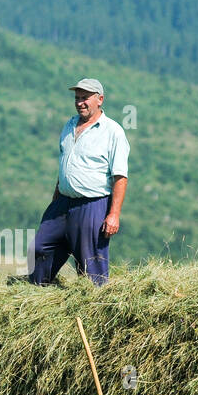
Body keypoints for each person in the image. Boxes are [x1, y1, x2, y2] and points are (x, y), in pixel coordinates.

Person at [28, 78, 129, 286]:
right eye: (77, 98)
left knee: (90, 263)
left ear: (100, 100)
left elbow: (120, 177)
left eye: (85, 98)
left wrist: (114, 214)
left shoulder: (113, 132)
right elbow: (65, 164)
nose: (80, 102)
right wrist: (56, 199)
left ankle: (95, 304)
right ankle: (37, 290)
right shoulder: (69, 125)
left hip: (92, 205)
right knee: (39, 247)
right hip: (63, 202)